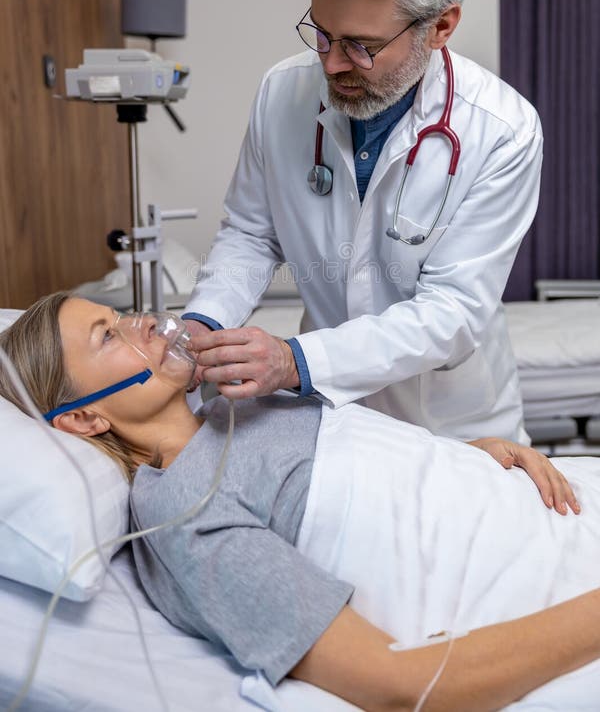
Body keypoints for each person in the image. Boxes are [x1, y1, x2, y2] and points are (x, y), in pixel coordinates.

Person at [3, 294, 600, 712]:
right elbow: (405, 686)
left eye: (120, 315)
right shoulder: (186, 514)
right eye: (109, 336)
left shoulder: (235, 408)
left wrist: (470, 456)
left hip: (551, 509)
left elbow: (366, 478)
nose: (145, 324)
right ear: (83, 417)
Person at [182, 0, 543, 444]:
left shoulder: (504, 131)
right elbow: (251, 235)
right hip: (331, 420)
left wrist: (296, 361)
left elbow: (452, 313)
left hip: (455, 427)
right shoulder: (282, 93)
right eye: (321, 33)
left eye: (361, 46)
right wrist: (203, 322)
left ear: (441, 26)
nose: (329, 65)